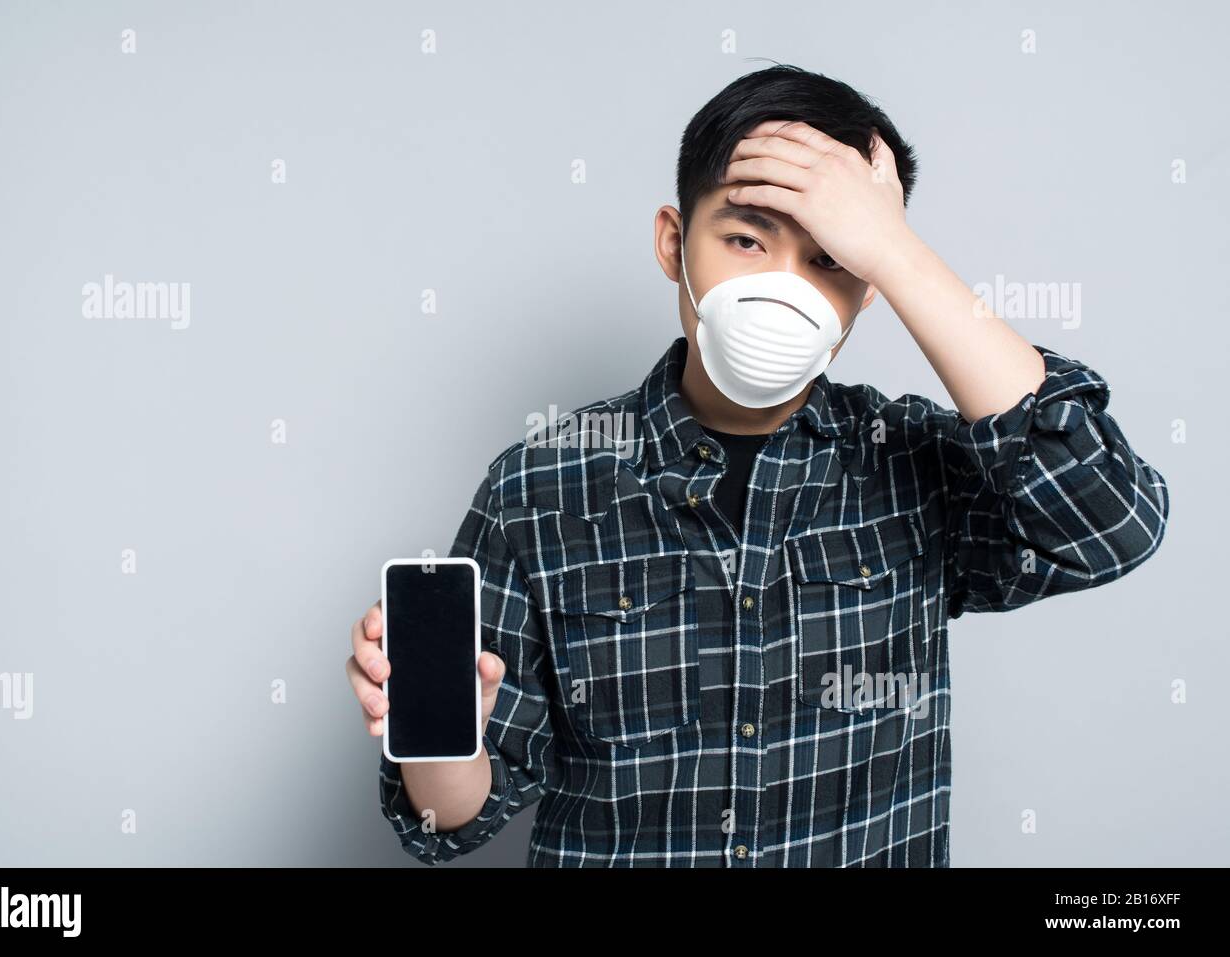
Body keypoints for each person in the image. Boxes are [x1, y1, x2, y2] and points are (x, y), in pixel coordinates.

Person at [346, 64, 1169, 867]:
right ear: (675, 243)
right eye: (745, 239)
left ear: (870, 284)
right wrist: (440, 728)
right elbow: (444, 822)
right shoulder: (540, 485)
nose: (784, 292)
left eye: (832, 261)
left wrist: (898, 252)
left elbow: (1112, 522)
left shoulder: (915, 463)